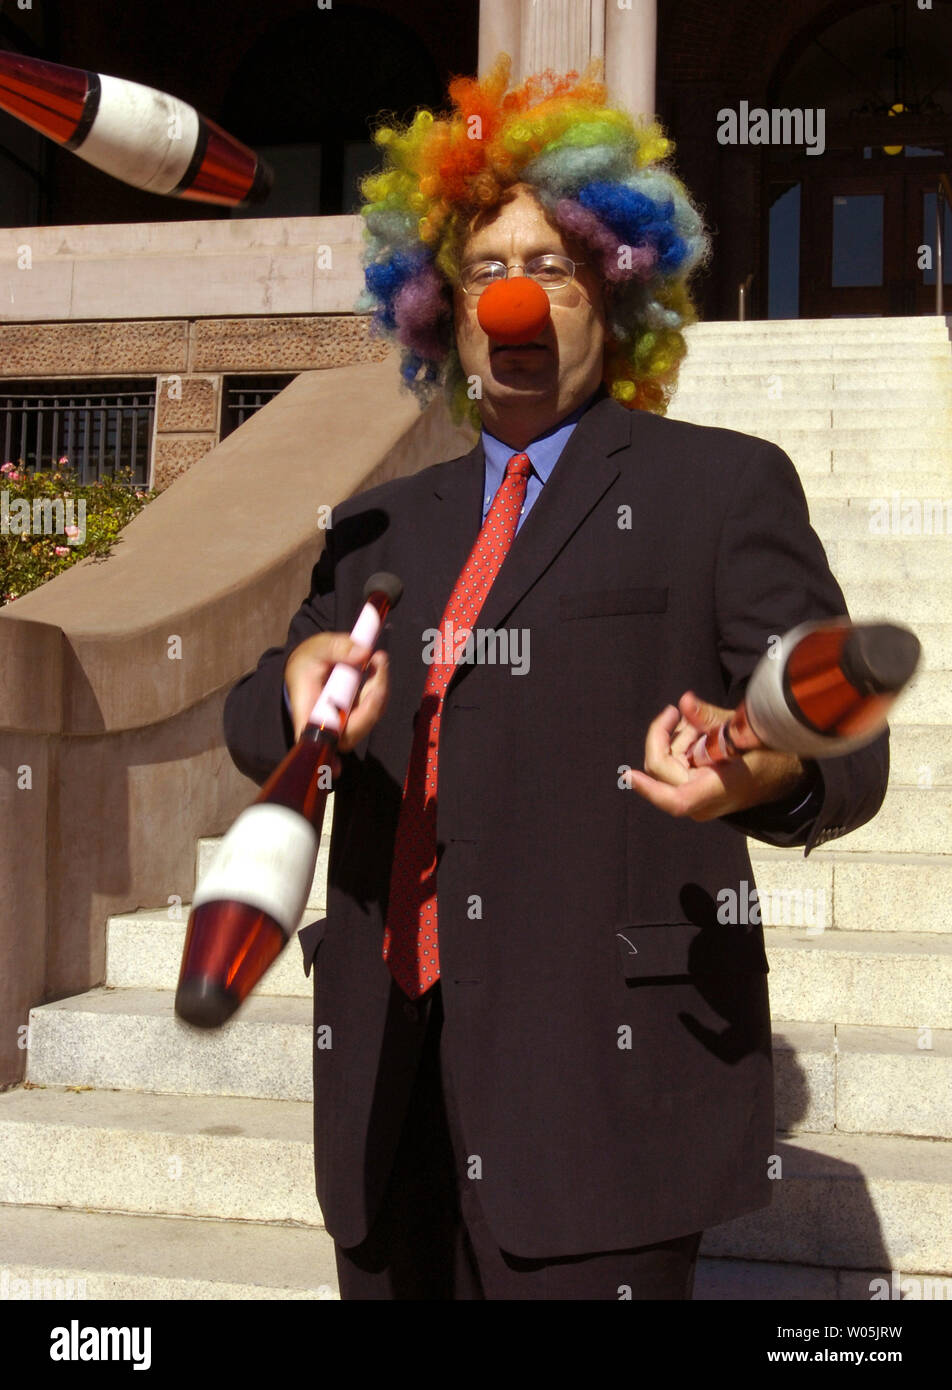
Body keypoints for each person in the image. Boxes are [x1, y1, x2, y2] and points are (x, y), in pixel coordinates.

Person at [223, 55, 888, 1299]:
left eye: (554, 267)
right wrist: (296, 680)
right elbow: (257, 702)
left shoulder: (720, 485)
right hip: (384, 1091)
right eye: (487, 270)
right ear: (440, 308)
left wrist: (761, 767)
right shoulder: (376, 524)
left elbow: (845, 744)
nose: (518, 300)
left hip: (600, 1097)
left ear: (617, 292)